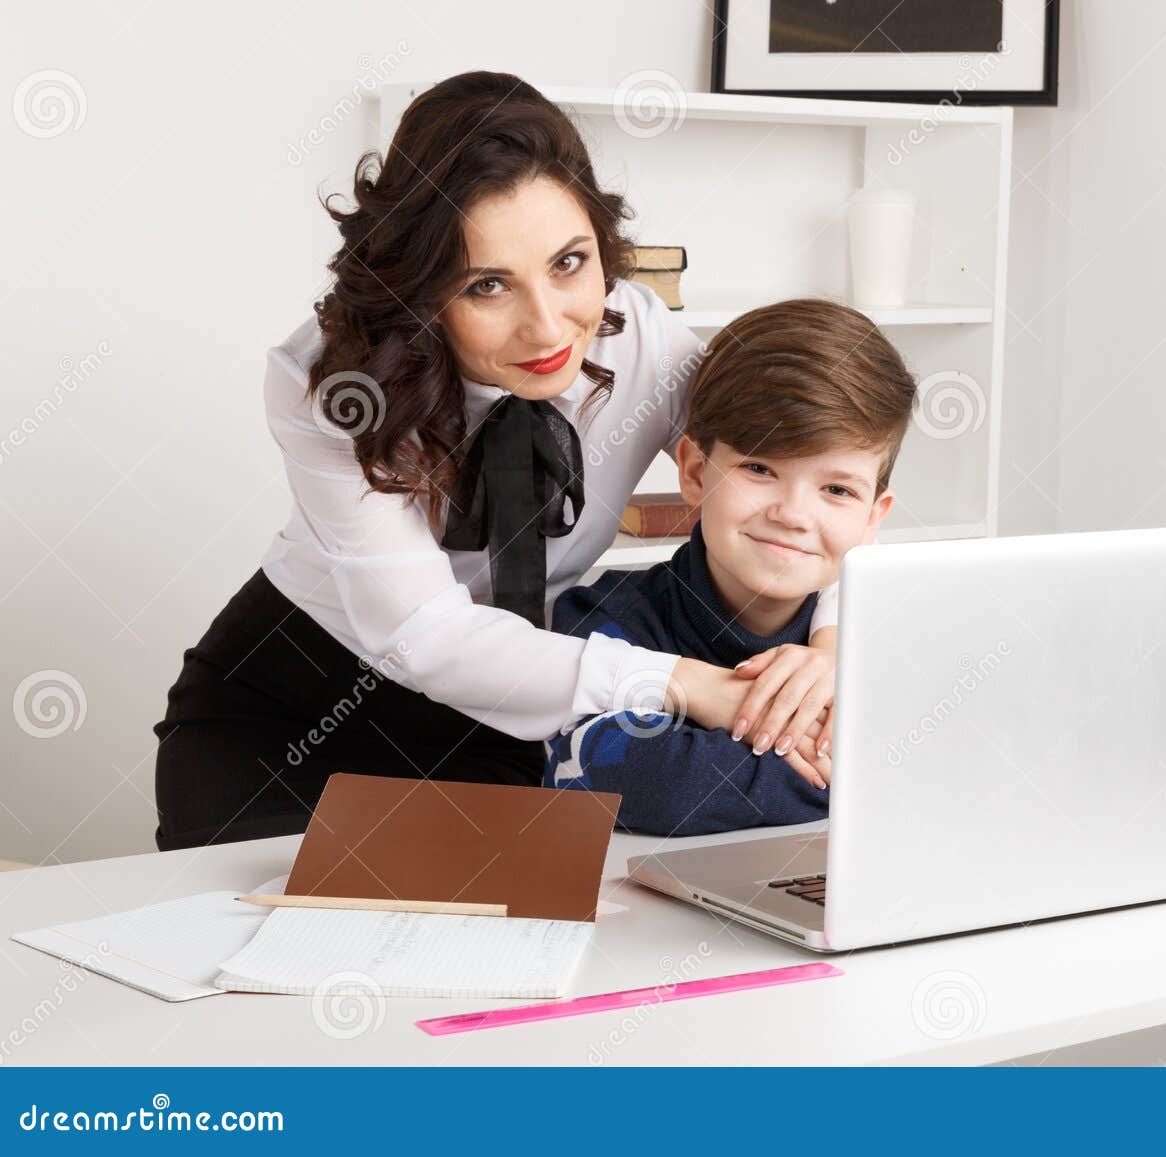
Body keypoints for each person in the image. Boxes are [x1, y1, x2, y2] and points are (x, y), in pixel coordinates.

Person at [151, 72, 838, 850]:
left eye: (570, 263)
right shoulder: (334, 383)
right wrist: (682, 683)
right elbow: (426, 637)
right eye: (486, 285)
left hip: (518, 705)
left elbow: (809, 470)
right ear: (420, 289)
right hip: (291, 712)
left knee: (514, 949)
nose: (548, 327)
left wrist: (836, 646)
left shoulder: (642, 342)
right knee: (279, 956)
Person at [543, 299, 916, 835]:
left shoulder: (887, 635)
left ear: (872, 516)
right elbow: (639, 781)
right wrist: (853, 768)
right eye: (760, 468)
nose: (792, 515)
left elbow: (949, 754)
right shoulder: (605, 618)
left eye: (837, 489)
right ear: (694, 472)